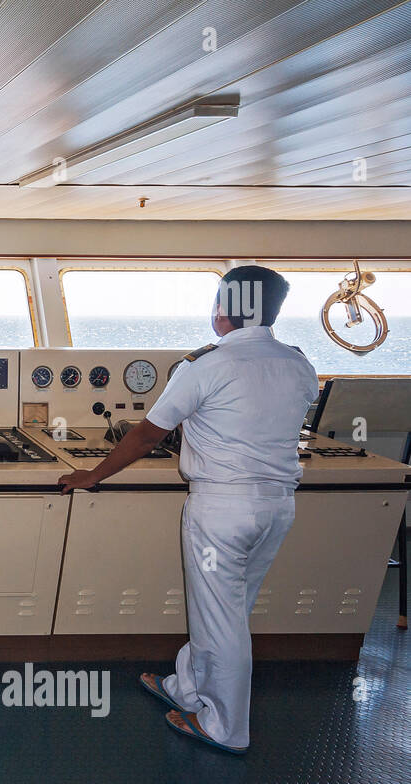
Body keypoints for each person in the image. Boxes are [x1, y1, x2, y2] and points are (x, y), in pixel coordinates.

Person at [57, 266, 318, 753]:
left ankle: (224, 726)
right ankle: (188, 688)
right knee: (227, 611)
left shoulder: (206, 366)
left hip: (223, 507)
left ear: (224, 307)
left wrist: (92, 475)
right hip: (277, 507)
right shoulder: (299, 365)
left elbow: (147, 433)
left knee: (221, 620)